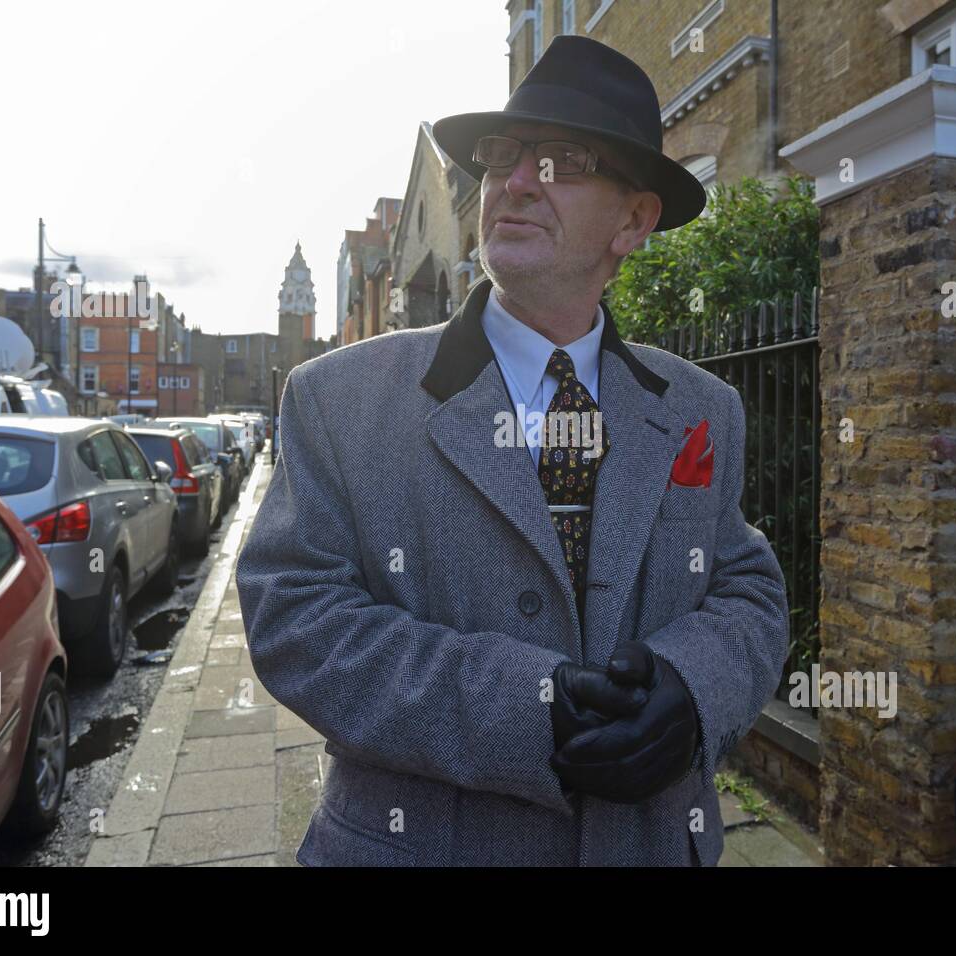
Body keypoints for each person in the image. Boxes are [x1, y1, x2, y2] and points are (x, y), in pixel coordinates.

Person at [235, 34, 789, 867]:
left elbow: (747, 586)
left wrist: (692, 687)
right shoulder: (338, 399)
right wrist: (529, 707)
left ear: (635, 221)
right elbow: (294, 617)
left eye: (566, 161)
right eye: (505, 156)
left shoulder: (702, 409)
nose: (519, 182)